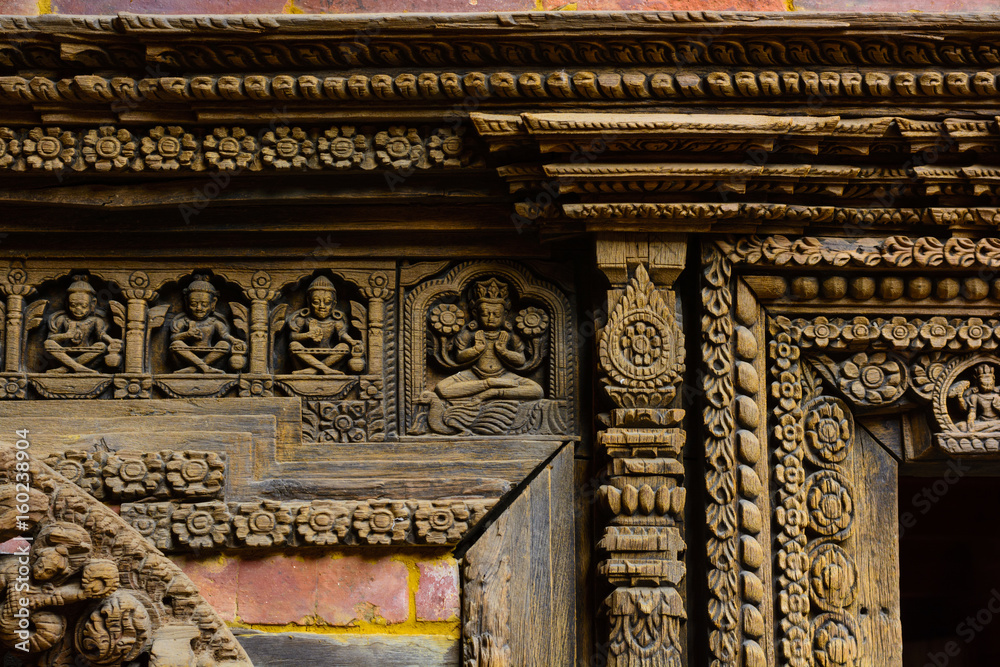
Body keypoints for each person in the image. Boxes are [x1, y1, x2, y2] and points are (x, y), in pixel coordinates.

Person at [434, 278, 543, 403]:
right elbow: (459, 357)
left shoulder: (509, 336)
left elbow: (521, 360)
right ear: (475, 314)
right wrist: (476, 350)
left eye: (496, 315)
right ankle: (489, 384)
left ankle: (495, 392)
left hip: (503, 375)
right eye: (486, 314)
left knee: (537, 390)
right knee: (442, 389)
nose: (491, 318)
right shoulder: (469, 334)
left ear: (505, 315)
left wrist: (503, 352)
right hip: (474, 375)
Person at [43, 275, 121, 374]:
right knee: (48, 344)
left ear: (93, 304)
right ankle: (78, 368)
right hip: (62, 354)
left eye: (83, 306)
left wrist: (111, 341)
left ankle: (66, 369)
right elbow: (50, 339)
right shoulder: (61, 319)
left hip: (87, 354)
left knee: (101, 346)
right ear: (67, 303)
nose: (78, 310)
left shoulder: (96, 321)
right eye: (73, 305)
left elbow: (101, 335)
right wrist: (66, 335)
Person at [169, 275, 245, 373]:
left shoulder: (214, 322)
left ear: (213, 304)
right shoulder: (182, 321)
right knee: (176, 344)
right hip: (187, 355)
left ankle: (193, 369)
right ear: (186, 303)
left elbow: (224, 335)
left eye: (204, 305)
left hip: (211, 355)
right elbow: (173, 338)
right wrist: (187, 334)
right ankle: (205, 368)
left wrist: (234, 340)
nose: (199, 308)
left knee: (224, 344)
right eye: (193, 304)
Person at [288, 276, 362, 374]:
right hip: (308, 354)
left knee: (344, 347)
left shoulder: (336, 321)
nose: (322, 306)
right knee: (293, 345)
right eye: (316, 302)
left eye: (327, 302)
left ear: (334, 304)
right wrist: (308, 335)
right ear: (309, 302)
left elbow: (342, 334)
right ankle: (326, 370)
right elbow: (292, 337)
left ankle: (311, 371)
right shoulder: (303, 319)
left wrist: (352, 342)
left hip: (329, 353)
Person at [965, 363, 1000, 432]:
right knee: (962, 426)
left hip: (996, 421)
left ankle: (989, 430)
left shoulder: (997, 396)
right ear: (977, 383)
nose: (987, 386)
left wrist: (998, 407)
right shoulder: (975, 396)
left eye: (990, 384)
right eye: (984, 384)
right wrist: (970, 421)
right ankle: (990, 429)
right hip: (982, 422)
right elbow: (972, 412)